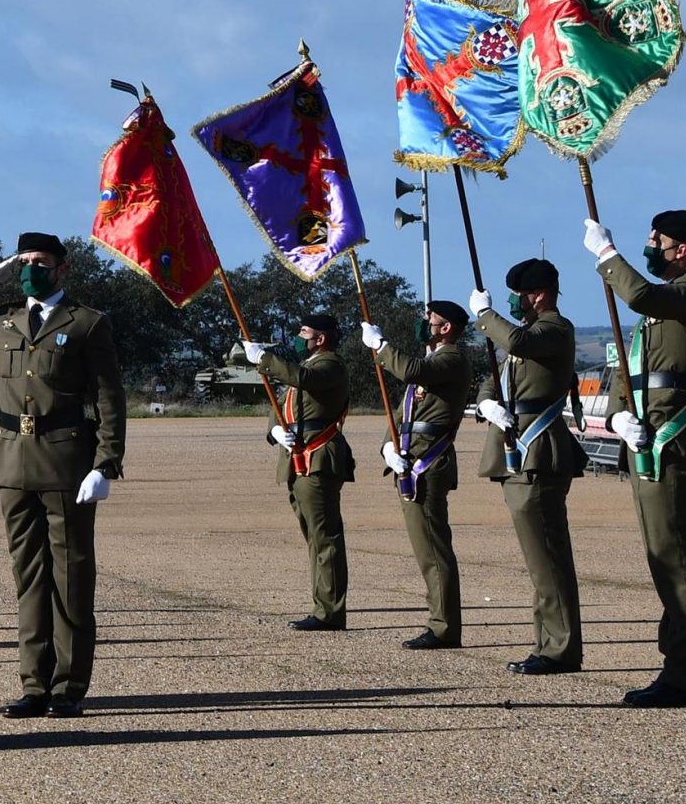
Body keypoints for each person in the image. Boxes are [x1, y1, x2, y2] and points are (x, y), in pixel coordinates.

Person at [0, 232, 125, 717]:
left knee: (71, 576)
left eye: (41, 262)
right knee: (29, 577)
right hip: (13, 459)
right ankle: (34, 684)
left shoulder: (86, 323)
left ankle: (68, 687)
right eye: (25, 262)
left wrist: (106, 463)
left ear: (63, 269)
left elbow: (108, 398)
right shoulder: (4, 320)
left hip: (66, 460)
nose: (31, 269)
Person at [589, 209, 686, 709]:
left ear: (681, 249)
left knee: (680, 560)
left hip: (674, 439)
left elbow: (640, 292)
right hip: (646, 441)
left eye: (656, 240)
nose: (650, 246)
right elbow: (634, 374)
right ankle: (676, 666)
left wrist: (607, 255)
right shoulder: (660, 311)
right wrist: (617, 417)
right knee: (661, 557)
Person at [473, 259, 586, 677]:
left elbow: (518, 343)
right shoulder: (530, 335)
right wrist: (487, 400)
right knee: (539, 558)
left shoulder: (555, 329)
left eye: (519, 295)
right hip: (518, 450)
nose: (514, 302)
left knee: (548, 557)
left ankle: (560, 649)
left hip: (539, 451)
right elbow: (500, 372)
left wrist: (485, 316)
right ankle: (548, 643)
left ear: (538, 294)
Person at [364, 303, 475, 649]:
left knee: (433, 548)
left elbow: (411, 371)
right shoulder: (432, 362)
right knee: (424, 547)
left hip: (430, 460)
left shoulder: (452, 358)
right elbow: (403, 414)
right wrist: (388, 447)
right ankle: (439, 621)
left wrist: (382, 348)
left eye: (431, 322)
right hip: (409, 458)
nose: (424, 325)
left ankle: (443, 627)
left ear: (447, 328)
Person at [247, 312, 354, 632]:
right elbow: (282, 403)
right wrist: (275, 431)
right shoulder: (306, 368)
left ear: (320, 339)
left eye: (303, 331)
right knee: (314, 537)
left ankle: (330, 612)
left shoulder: (329, 364)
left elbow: (301, 381)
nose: (298, 335)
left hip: (319, 457)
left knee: (325, 538)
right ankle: (322, 604)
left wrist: (264, 358)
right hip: (296, 456)